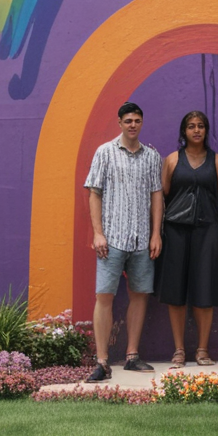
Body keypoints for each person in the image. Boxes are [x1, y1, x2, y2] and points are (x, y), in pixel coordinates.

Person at [84, 101, 163, 382]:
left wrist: (156, 234)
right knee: (104, 296)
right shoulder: (104, 152)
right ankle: (102, 362)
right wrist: (97, 232)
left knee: (140, 295)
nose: (132, 125)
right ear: (119, 122)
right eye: (128, 120)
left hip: (142, 238)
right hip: (112, 238)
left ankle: (132, 355)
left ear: (142, 123)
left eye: (137, 121)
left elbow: (157, 196)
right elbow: (94, 193)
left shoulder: (152, 157)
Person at [156, 111, 218, 367]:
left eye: (201, 126)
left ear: (206, 130)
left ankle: (202, 349)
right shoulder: (171, 160)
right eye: (191, 126)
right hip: (175, 231)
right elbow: (162, 196)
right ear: (184, 131)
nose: (196, 130)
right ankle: (179, 350)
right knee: (175, 291)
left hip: (209, 231)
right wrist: (157, 234)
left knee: (205, 288)